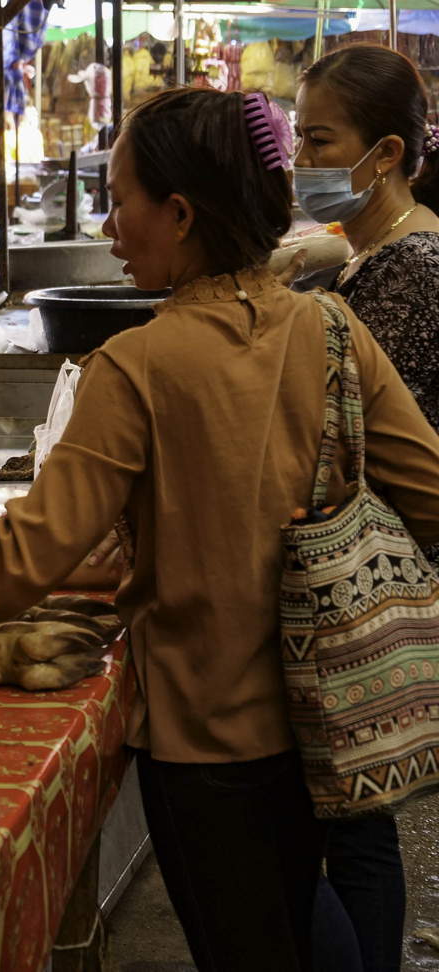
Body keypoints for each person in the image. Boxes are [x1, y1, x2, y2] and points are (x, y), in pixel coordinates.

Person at [0, 86, 439, 972]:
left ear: (178, 214)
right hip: (325, 711)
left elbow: (19, 565)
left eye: (121, 197)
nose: (107, 221)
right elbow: (431, 494)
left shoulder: (136, 363)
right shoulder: (332, 328)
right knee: (301, 913)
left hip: (204, 745)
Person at [291, 43, 439, 972]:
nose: (302, 162)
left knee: (355, 827)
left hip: (364, 586)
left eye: (319, 140)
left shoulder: (408, 277)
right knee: (352, 819)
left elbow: (338, 441)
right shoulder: (368, 257)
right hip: (358, 578)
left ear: (382, 154)